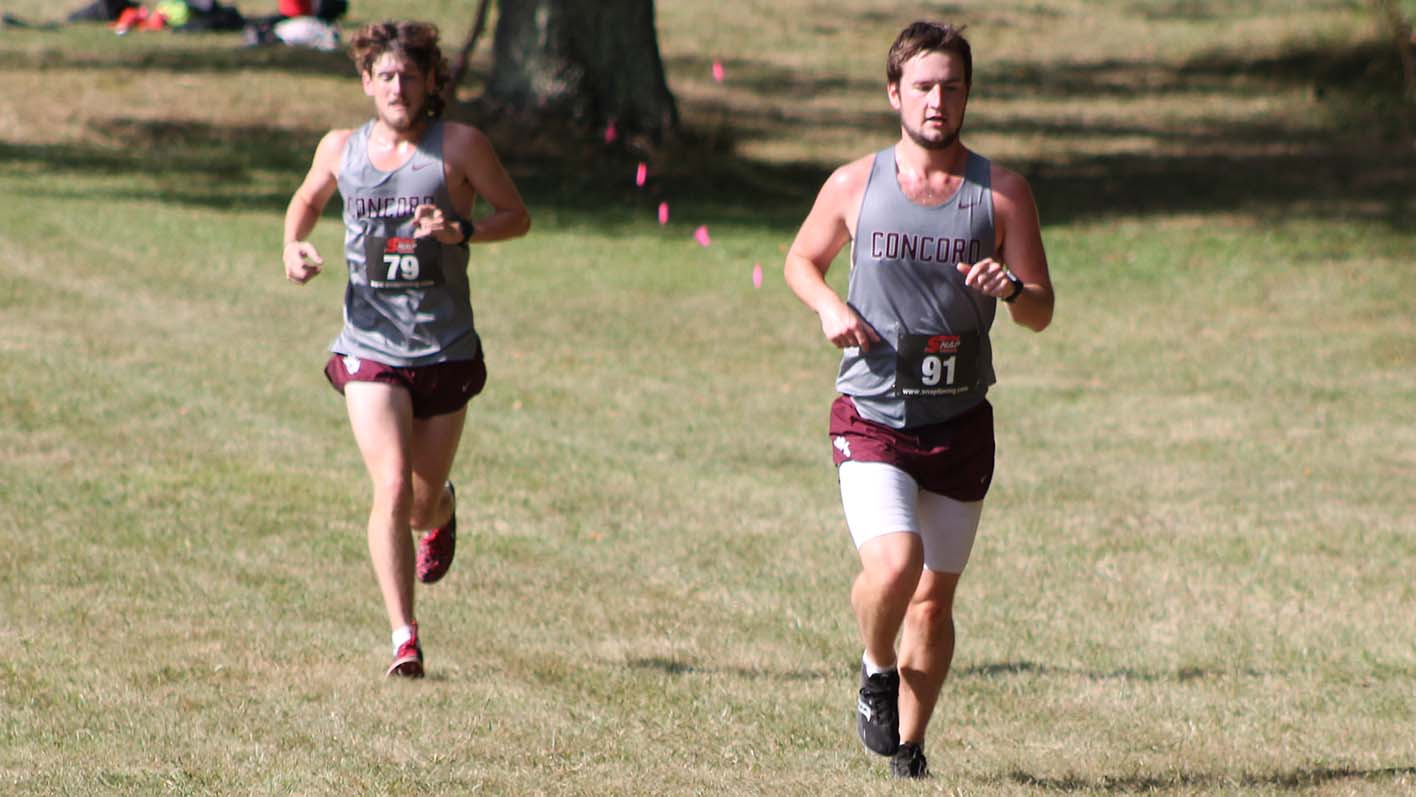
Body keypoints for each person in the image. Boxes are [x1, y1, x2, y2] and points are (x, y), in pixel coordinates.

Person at [783, 21, 1054, 778]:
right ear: (895, 93)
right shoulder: (853, 185)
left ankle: (909, 743)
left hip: (961, 422)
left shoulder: (1001, 193)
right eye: (925, 87)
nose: (939, 101)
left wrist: (1012, 288)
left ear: (968, 95)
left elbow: (1040, 309)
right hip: (872, 413)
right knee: (896, 563)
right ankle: (875, 667)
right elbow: (800, 260)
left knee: (934, 603)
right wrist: (828, 307)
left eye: (952, 87)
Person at [281, 20, 530, 678]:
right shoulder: (341, 148)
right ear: (367, 82)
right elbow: (305, 201)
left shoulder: (460, 147)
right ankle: (404, 636)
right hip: (370, 342)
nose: (397, 87)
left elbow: (517, 214)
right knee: (389, 486)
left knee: (418, 501)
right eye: (385, 76)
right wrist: (294, 246)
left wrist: (462, 228)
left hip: (444, 343)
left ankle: (443, 505)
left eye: (409, 76)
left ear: (429, 84)